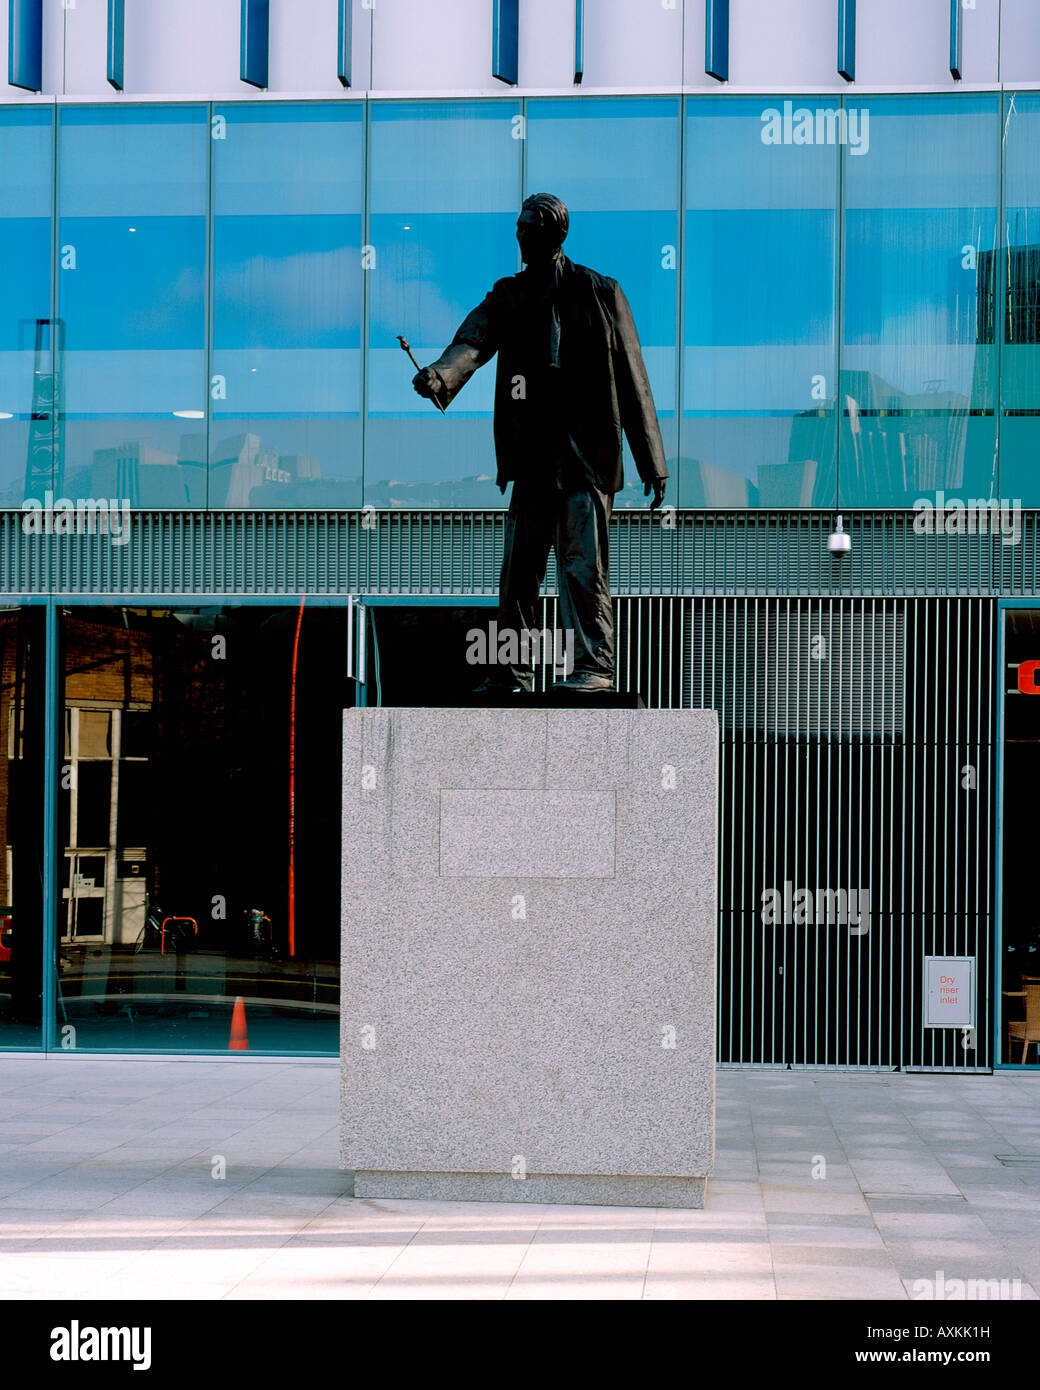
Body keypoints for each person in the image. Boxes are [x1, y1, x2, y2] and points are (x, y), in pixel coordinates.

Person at [413, 192, 667, 694]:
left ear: (552, 233)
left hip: (586, 456)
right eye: (518, 226)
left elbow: (633, 378)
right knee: (519, 574)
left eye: (527, 227)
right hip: (532, 457)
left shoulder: (600, 290)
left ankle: (594, 666)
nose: (519, 235)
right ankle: (513, 669)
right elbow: (473, 341)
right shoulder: (509, 294)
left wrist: (651, 463)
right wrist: (441, 377)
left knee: (582, 567)